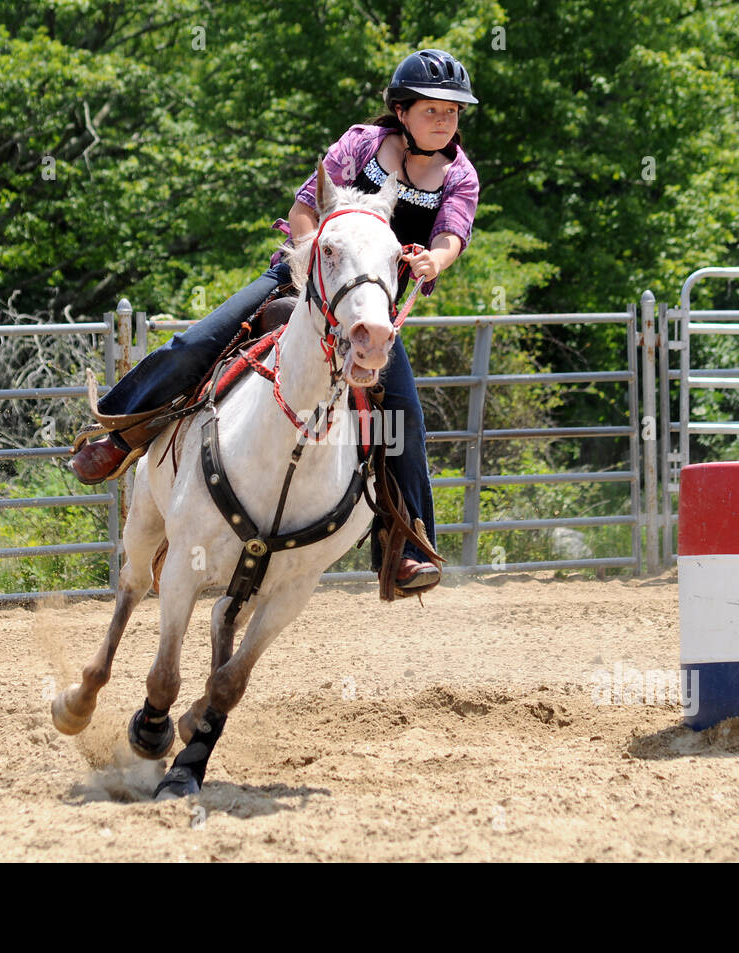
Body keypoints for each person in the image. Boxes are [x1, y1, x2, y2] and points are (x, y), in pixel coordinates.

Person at [71, 49, 480, 596]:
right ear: (400, 111)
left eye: (452, 112)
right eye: (432, 109)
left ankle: (405, 545)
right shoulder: (360, 143)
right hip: (304, 279)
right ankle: (122, 433)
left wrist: (437, 259)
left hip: (367, 310)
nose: (444, 120)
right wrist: (312, 257)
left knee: (402, 418)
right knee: (201, 340)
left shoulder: (460, 174)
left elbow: (452, 232)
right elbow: (307, 206)